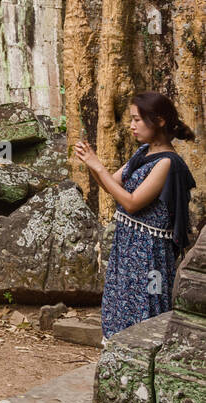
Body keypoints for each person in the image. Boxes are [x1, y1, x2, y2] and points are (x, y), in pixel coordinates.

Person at [75, 92, 197, 338]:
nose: (131, 126)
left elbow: (131, 203)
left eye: (137, 120)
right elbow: (113, 186)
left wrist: (97, 164)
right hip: (127, 247)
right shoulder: (143, 152)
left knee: (148, 306)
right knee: (120, 305)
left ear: (159, 121)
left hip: (150, 253)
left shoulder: (168, 163)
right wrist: (91, 163)